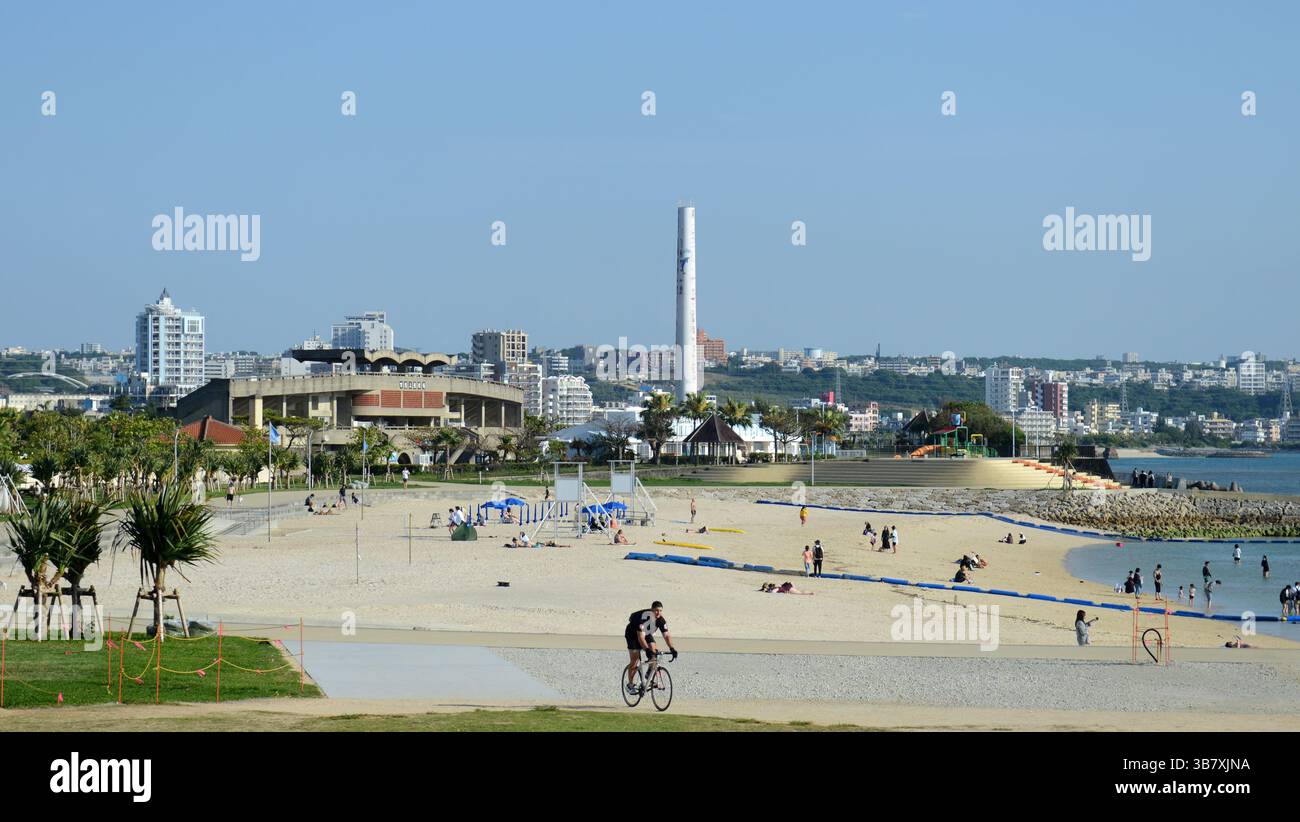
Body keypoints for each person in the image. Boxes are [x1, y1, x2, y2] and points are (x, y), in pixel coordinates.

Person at [625, 601, 677, 694]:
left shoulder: (660, 620)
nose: (658, 613)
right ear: (651, 610)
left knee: (654, 653)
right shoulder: (643, 618)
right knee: (635, 659)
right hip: (632, 635)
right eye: (656, 610)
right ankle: (630, 685)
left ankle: (649, 673)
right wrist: (646, 650)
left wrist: (672, 648)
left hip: (646, 633)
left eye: (660, 611)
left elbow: (666, 635)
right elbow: (640, 637)